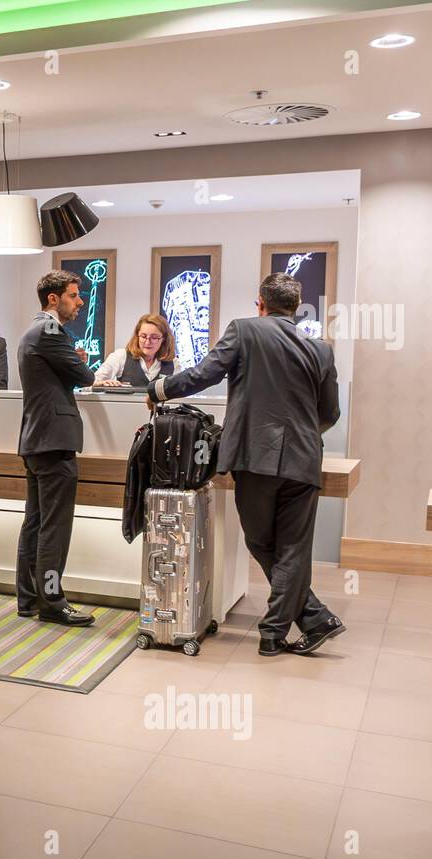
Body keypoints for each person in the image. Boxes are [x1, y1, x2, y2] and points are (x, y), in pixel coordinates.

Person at [146, 272, 344, 657]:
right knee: (293, 549)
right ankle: (308, 619)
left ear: (261, 303)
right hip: (304, 459)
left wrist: (158, 389)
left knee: (259, 541)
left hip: (254, 458)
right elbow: (330, 412)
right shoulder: (320, 348)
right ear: (297, 307)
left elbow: (205, 375)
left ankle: (278, 630)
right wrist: (302, 431)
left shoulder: (244, 331)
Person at [15, 270, 97, 626]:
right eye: (74, 296)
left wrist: (72, 360)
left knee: (35, 523)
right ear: (53, 298)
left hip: (38, 440)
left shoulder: (36, 332)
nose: (79, 303)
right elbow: (86, 376)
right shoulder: (49, 330)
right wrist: (78, 362)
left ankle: (29, 598)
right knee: (54, 527)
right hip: (53, 440)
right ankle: (52, 600)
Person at [95, 313, 176, 386]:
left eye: (154, 338)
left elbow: (182, 397)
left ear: (164, 339)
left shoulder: (174, 363)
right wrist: (101, 384)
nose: (147, 342)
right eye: (143, 336)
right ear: (137, 336)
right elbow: (90, 384)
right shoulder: (121, 356)